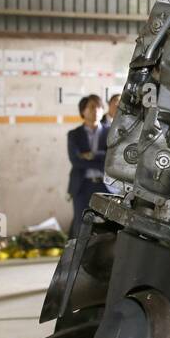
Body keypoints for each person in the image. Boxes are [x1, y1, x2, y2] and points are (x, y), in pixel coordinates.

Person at [68, 95, 109, 237]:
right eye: (92, 107)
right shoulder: (74, 134)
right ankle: (78, 257)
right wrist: (101, 160)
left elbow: (111, 158)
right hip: (83, 186)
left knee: (108, 224)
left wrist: (92, 155)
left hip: (106, 186)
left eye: (99, 107)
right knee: (81, 224)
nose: (96, 110)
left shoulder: (111, 132)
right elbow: (76, 161)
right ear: (83, 111)